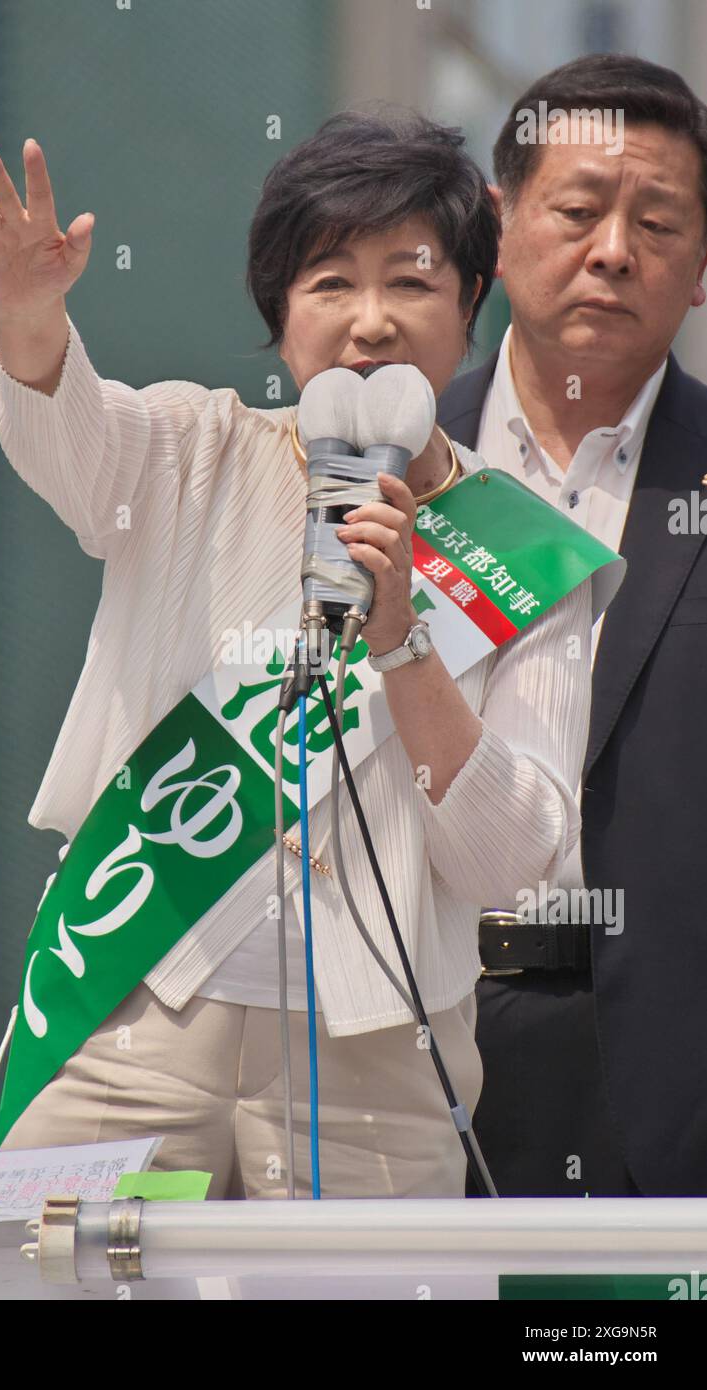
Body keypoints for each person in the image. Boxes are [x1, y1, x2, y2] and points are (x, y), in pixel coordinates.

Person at [0, 110, 594, 1199]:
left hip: (378, 1058)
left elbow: (510, 863)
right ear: (280, 316)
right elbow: (69, 439)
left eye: (411, 281)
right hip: (132, 1023)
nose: (368, 321)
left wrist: (404, 645)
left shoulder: (523, 550)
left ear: (471, 305)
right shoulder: (196, 447)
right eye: (329, 281)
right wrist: (31, 312)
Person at [437, 53, 707, 1197]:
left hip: (669, 1065)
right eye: (579, 210)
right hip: (399, 1039)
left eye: (656, 221)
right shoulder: (381, 464)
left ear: (700, 267)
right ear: (499, 225)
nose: (612, 251)